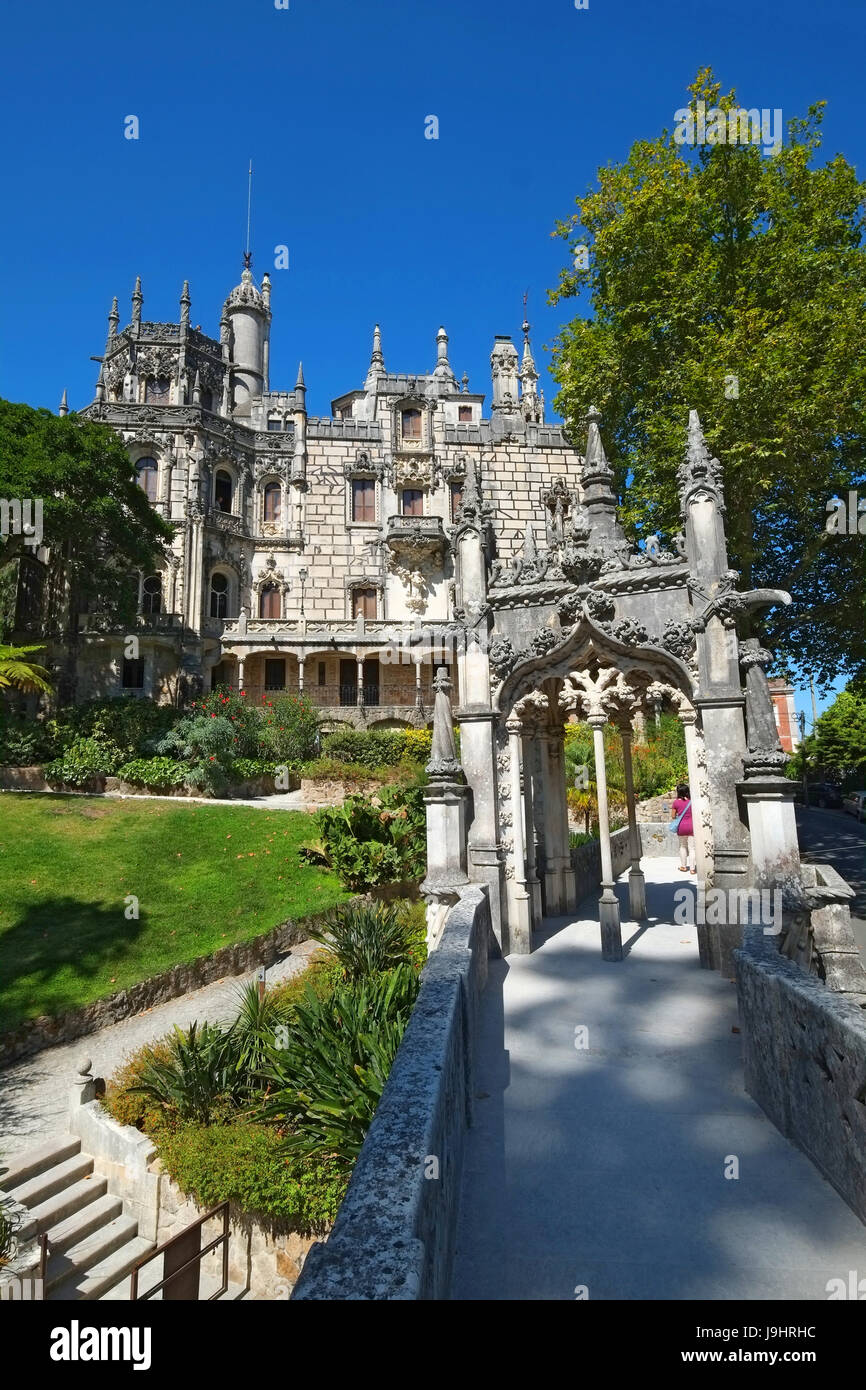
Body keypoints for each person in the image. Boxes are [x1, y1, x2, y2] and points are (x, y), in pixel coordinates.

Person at [671, 782, 695, 873]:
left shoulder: (676, 802)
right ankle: (692, 869)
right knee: (692, 848)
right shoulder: (692, 802)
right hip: (692, 826)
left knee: (682, 846)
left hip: (681, 827)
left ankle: (684, 867)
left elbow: (673, 816)